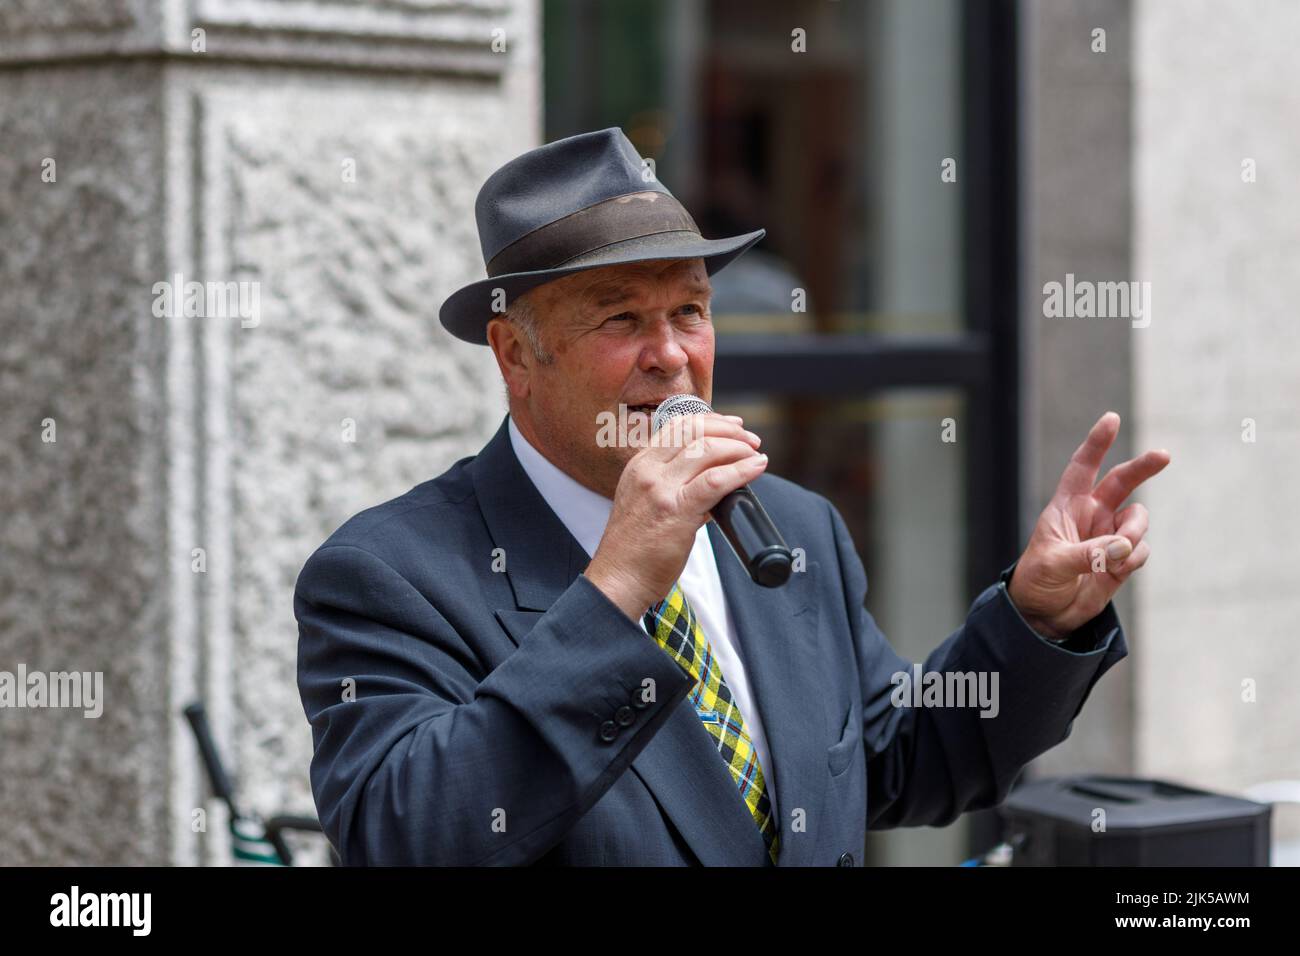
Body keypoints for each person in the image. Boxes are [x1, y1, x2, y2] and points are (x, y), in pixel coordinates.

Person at [294, 127, 1170, 866]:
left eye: (691, 312)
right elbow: (406, 836)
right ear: (516, 356)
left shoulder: (789, 526)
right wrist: (616, 590)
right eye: (621, 319)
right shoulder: (390, 574)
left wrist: (1035, 621)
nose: (672, 355)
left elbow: (898, 761)